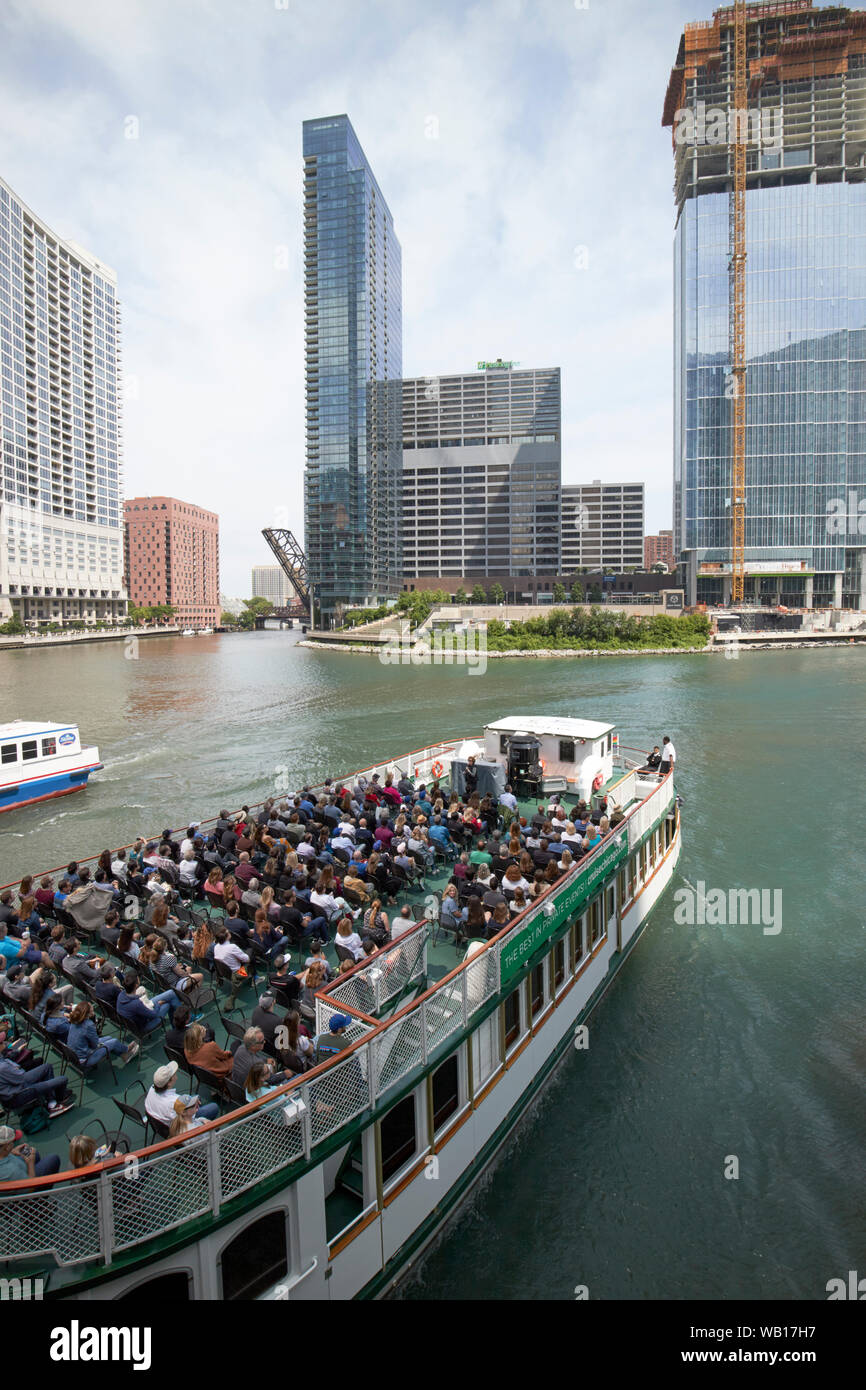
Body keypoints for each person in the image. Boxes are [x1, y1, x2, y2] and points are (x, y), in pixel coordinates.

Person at [0, 1035, 74, 1115]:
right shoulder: (2, 1067)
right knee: (63, 1079)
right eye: (1, 1043)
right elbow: (21, 1078)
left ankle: (52, 1103)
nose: (4, 1043)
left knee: (47, 1067)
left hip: (17, 1084)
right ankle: (56, 1101)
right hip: (18, 1094)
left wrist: (15, 1049)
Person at [145, 1061, 219, 1129]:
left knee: (197, 1097)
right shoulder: (174, 1101)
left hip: (164, 1122)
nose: (175, 1075)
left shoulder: (152, 1089)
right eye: (173, 1074)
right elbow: (191, 1117)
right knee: (214, 1107)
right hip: (181, 1124)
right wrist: (196, 1110)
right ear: (169, 1083)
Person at [67, 1001, 139, 1070]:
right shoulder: (88, 1025)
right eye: (92, 1010)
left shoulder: (74, 1020)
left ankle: (124, 1055)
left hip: (74, 1055)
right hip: (85, 1059)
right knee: (114, 1042)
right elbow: (95, 1045)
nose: (93, 1011)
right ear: (88, 1014)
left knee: (109, 1038)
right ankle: (127, 1050)